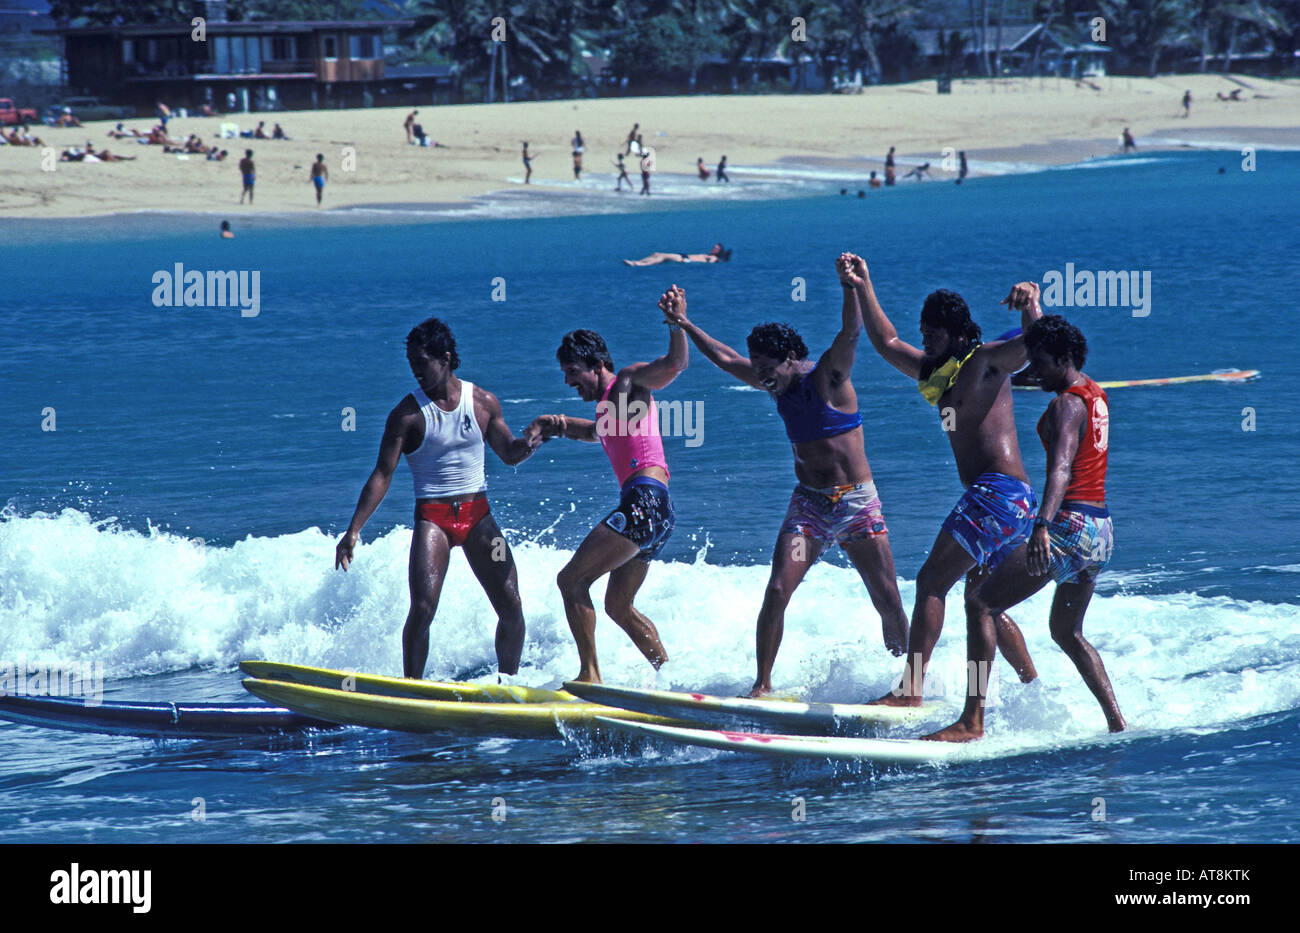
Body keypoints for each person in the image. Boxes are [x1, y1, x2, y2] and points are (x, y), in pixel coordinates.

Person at [664, 257, 911, 695]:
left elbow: (851, 333)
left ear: (792, 358)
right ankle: (762, 686)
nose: (760, 376)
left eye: (767, 368)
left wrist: (849, 286)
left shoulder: (828, 378)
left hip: (855, 504)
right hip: (809, 507)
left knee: (887, 599)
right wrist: (684, 322)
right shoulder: (773, 383)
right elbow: (725, 359)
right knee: (778, 589)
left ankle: (912, 682)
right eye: (757, 368)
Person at [844, 254, 1039, 708]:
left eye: (932, 335)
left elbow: (1034, 344)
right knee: (981, 597)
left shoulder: (987, 362)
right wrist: (862, 285)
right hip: (1004, 500)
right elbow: (885, 340)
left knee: (932, 580)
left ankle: (911, 689)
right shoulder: (938, 373)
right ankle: (1033, 688)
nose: (924, 341)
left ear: (955, 334)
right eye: (924, 334)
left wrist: (1032, 301)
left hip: (999, 493)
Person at [929, 308, 1125, 741]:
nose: (1032, 370)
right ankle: (1117, 723)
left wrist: (1041, 527)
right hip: (1101, 532)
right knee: (1067, 632)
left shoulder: (1065, 406)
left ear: (1061, 359)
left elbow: (1060, 469)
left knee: (981, 603)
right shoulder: (1095, 394)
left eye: (1039, 362)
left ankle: (971, 720)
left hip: (1068, 527)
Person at [335, 318, 542, 679]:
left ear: (445, 358)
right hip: (434, 520)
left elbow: (509, 453)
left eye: (421, 362)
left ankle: (508, 684)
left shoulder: (482, 402)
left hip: (479, 518)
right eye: (411, 363)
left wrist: (530, 444)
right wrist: (354, 529)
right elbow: (383, 473)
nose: (415, 371)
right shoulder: (406, 416)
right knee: (424, 607)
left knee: (512, 606)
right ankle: (412, 687)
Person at [524, 296, 689, 683]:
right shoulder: (611, 407)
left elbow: (675, 365)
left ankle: (590, 674)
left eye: (572, 371)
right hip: (659, 511)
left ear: (598, 364)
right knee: (618, 605)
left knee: (572, 581)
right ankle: (670, 681)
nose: (568, 381)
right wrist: (554, 424)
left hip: (643, 501)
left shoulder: (629, 381)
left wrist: (676, 324)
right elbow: (594, 432)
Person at [623, 244, 731, 266]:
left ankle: (638, 264)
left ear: (719, 252)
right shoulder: (708, 255)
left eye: (716, 248)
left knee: (663, 256)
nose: (713, 248)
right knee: (657, 254)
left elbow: (712, 261)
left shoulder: (713, 258)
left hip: (685, 259)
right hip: (683, 256)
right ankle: (639, 261)